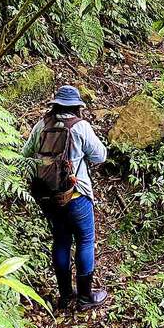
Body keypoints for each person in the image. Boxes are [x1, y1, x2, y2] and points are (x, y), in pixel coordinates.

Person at [23, 85, 110, 312]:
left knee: (61, 242)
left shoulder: (42, 125)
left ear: (56, 105)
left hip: (48, 197)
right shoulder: (80, 127)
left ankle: (64, 296)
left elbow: (25, 155)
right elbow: (100, 156)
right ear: (76, 107)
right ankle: (85, 297)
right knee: (84, 240)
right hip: (76, 194)